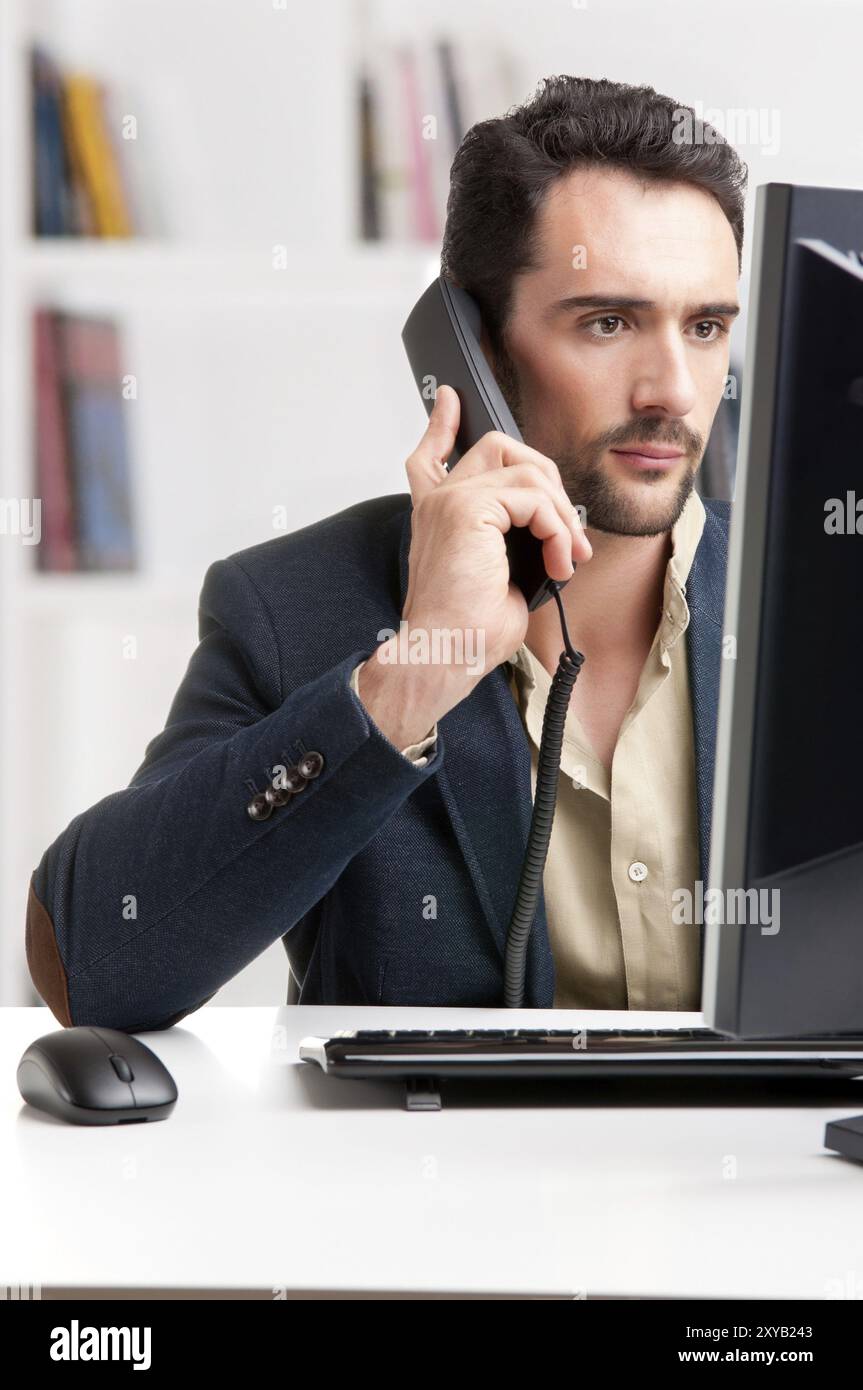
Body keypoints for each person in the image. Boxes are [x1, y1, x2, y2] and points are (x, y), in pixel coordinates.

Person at [25, 75, 746, 1029]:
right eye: (606, 323)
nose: (673, 391)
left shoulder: (824, 603)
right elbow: (95, 966)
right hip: (429, 1178)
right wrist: (412, 672)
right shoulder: (292, 605)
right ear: (473, 355)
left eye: (704, 329)